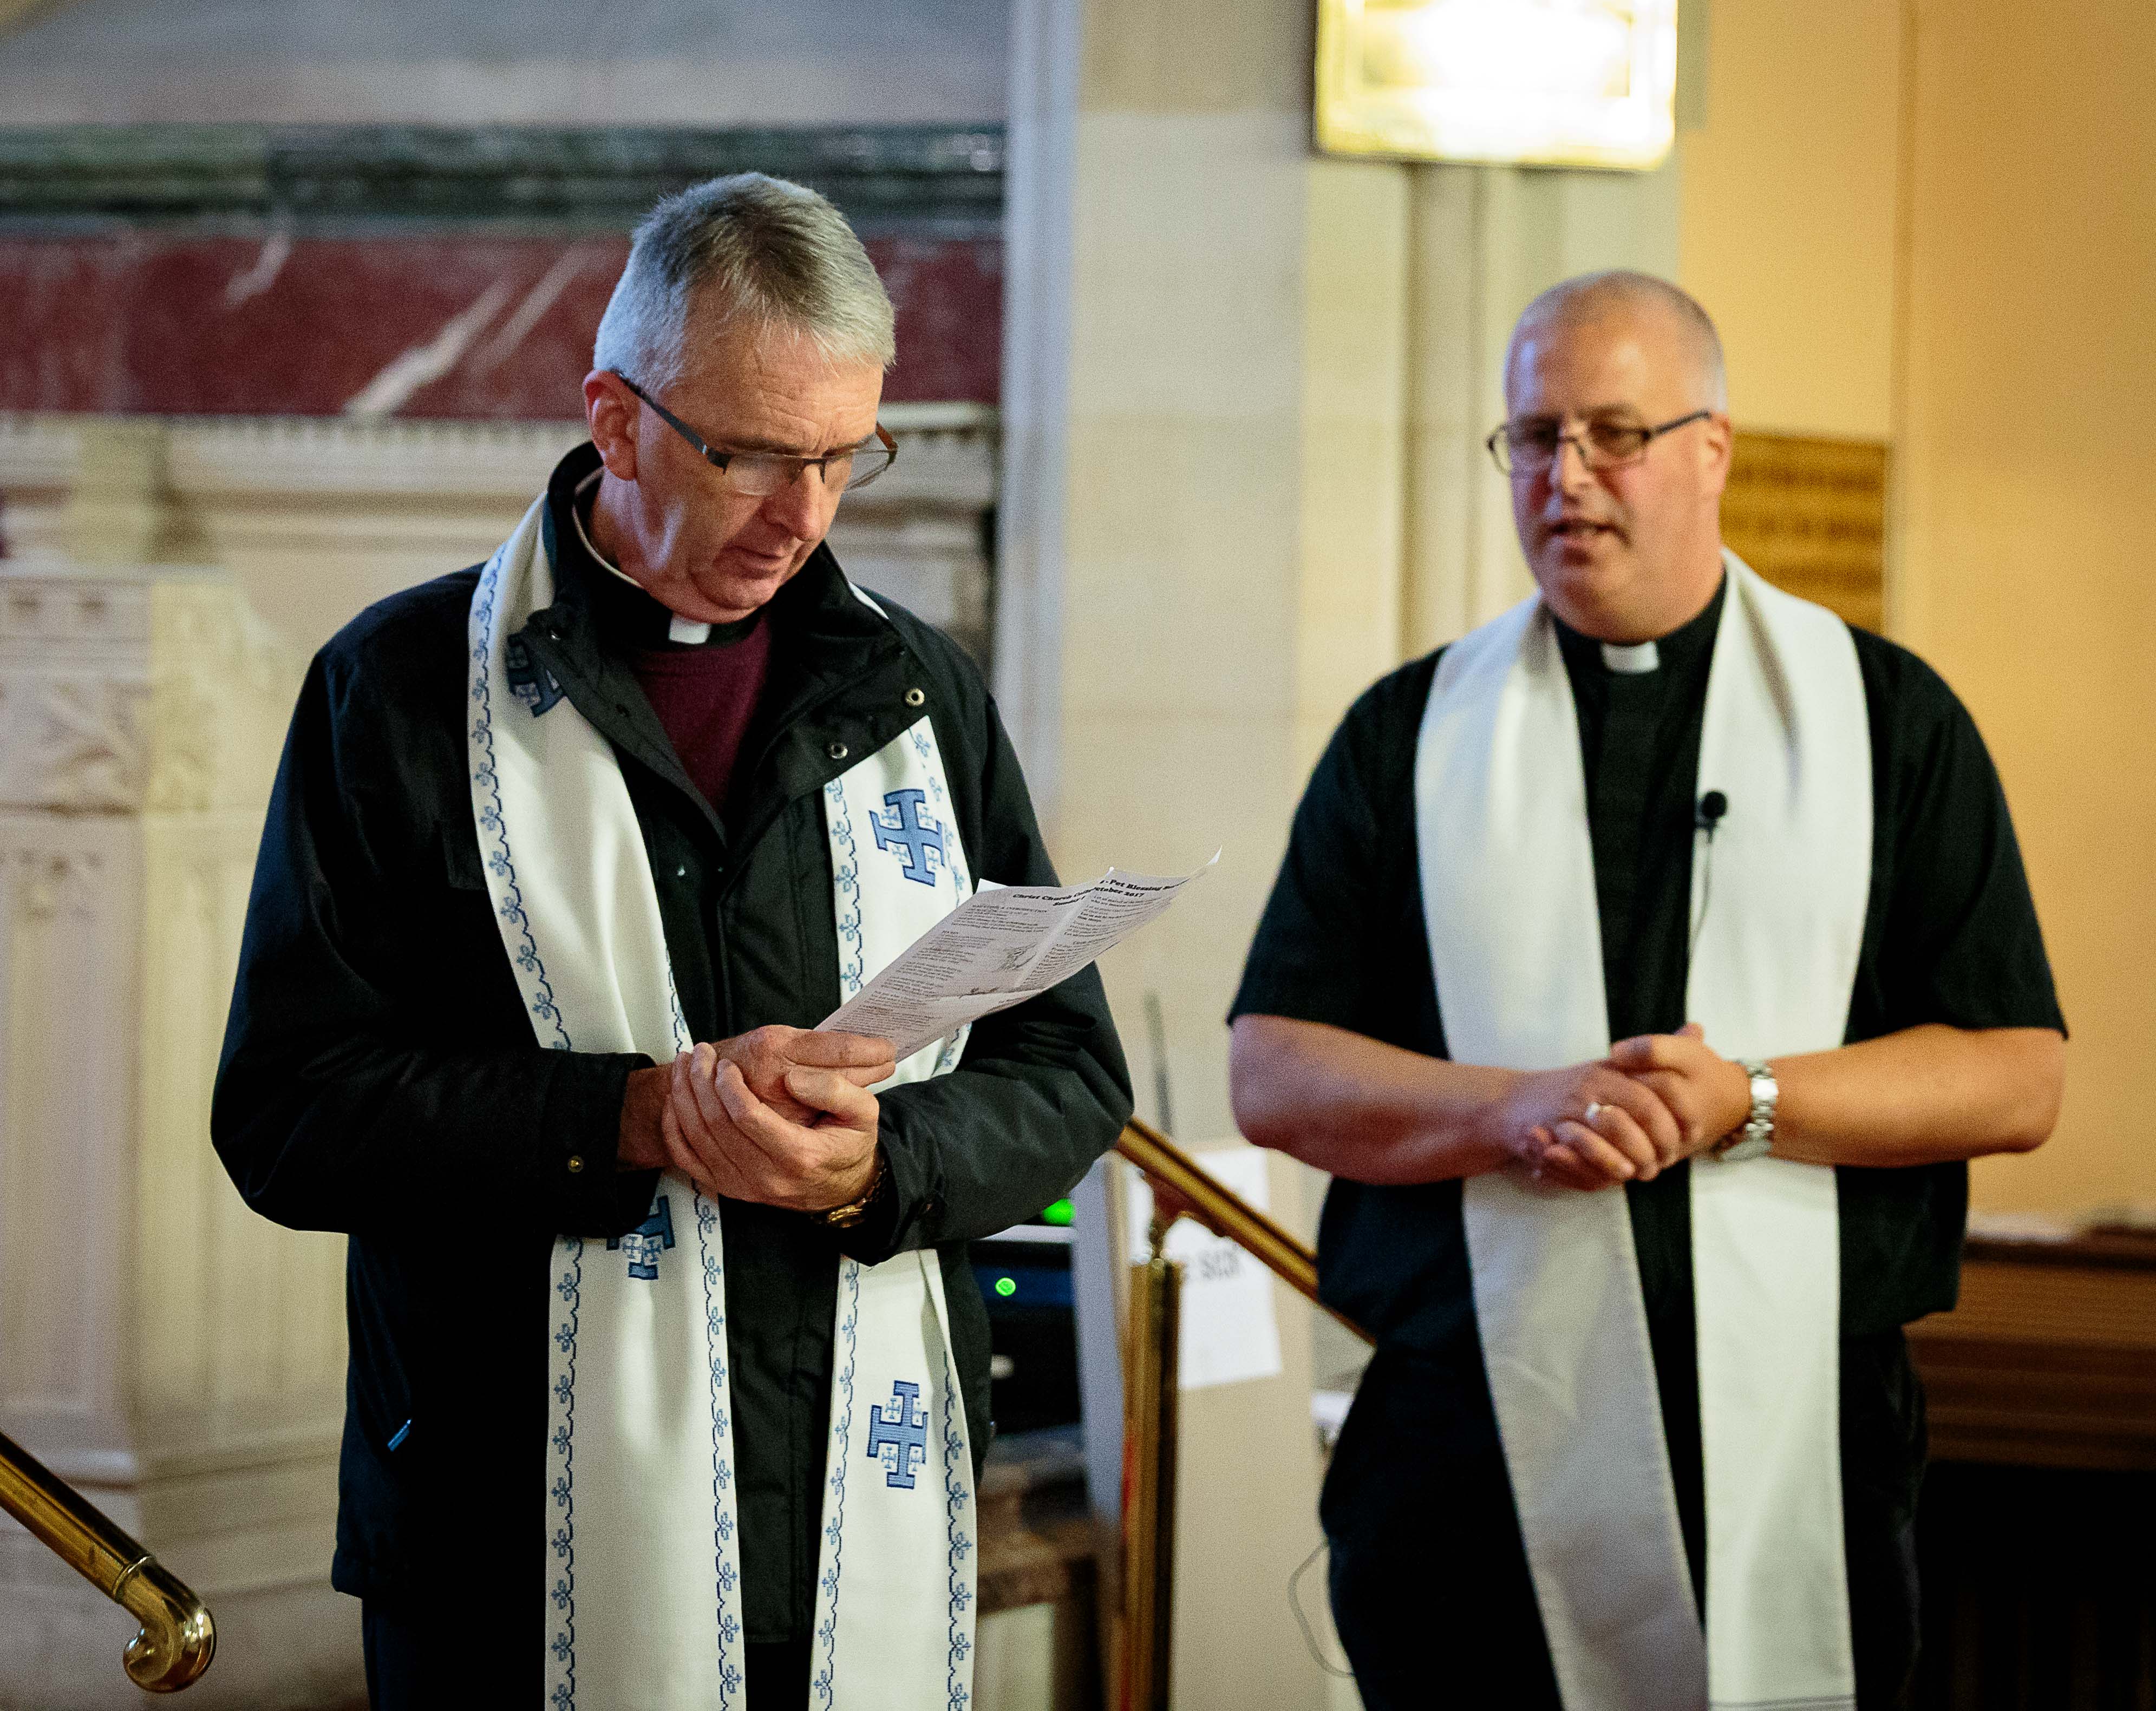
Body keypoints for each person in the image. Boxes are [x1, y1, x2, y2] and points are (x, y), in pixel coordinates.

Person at [213, 174, 1131, 1711]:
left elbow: (1068, 1070)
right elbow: (290, 1114)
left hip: (853, 1537)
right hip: (512, 1544)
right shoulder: (400, 690)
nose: (806, 514)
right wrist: (624, 1119)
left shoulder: (916, 695)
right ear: (617, 415)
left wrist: (881, 1160)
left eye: (847, 455)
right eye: (757, 455)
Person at [1229, 272, 2064, 1710]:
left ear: (1714, 446)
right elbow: (1274, 1069)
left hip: (1802, 1437)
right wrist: (1519, 1108)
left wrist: (1747, 1101)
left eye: (1615, 432)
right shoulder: (1410, 734)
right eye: (1534, 436)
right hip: (1468, 1456)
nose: (1568, 477)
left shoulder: (1889, 722)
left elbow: (2019, 1072)